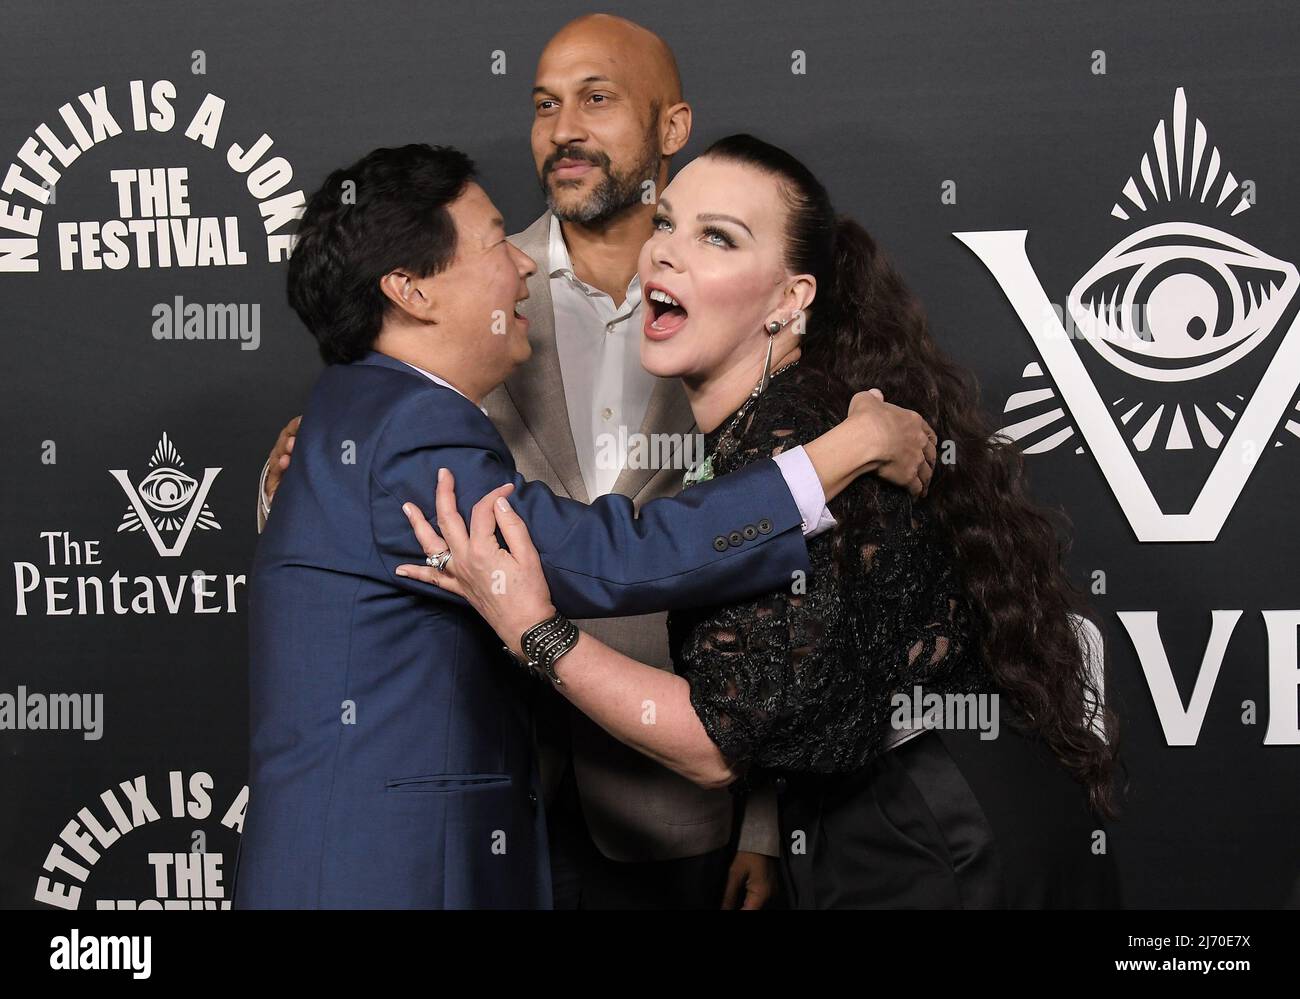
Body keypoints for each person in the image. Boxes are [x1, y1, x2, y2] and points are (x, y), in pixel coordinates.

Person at [253, 13, 925, 909]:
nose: (517, 268)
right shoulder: (404, 417)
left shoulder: (380, 401)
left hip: (653, 793)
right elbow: (613, 554)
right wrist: (839, 455)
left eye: (597, 98)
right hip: (408, 858)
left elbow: (791, 633)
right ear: (411, 290)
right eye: (495, 243)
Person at [396, 134, 1125, 909]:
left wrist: (531, 627)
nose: (665, 255)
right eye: (667, 224)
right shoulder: (801, 426)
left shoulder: (798, 437)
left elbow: (716, 745)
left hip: (937, 834)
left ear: (790, 299)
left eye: (718, 237)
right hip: (930, 813)